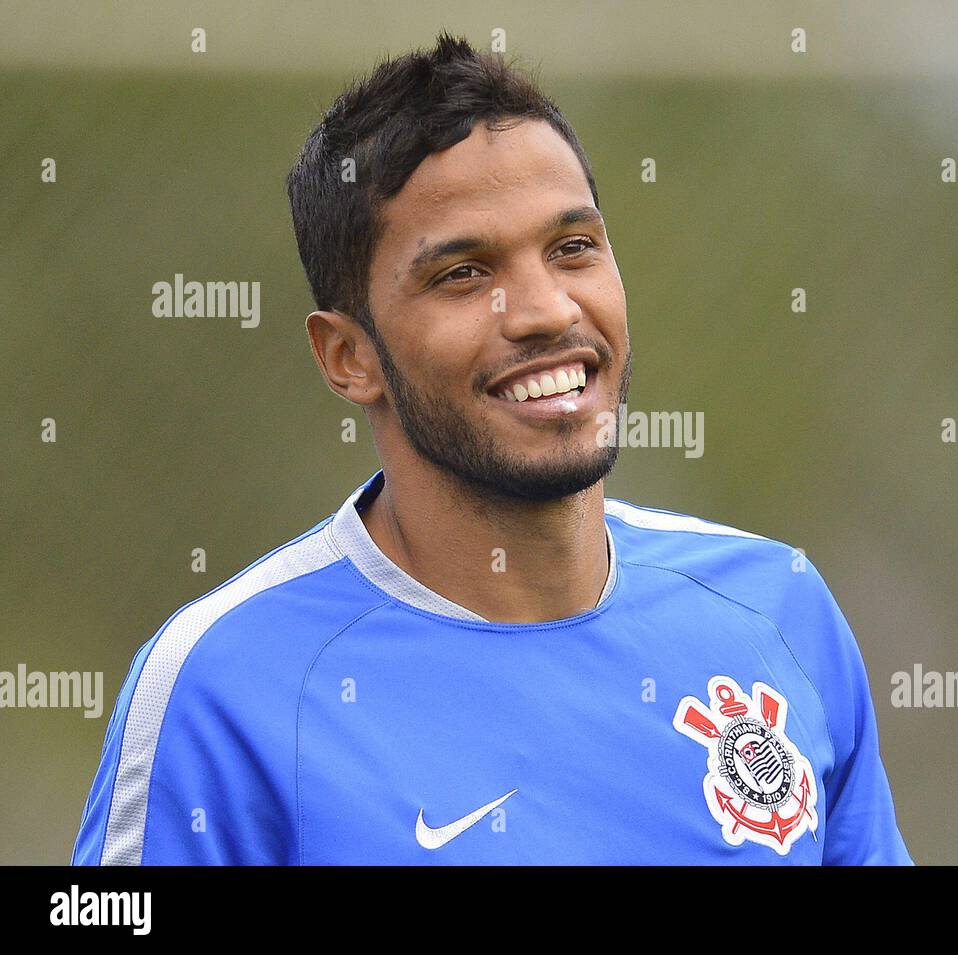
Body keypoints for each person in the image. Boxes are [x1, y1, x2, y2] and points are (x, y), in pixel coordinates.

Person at [72, 32, 912, 865]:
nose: (546, 310)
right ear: (348, 357)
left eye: (573, 248)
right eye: (464, 273)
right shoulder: (225, 688)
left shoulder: (779, 611)